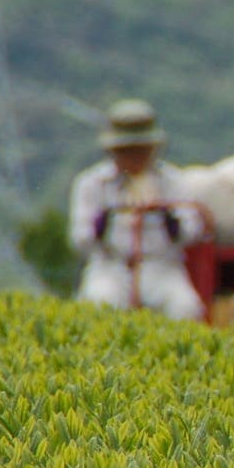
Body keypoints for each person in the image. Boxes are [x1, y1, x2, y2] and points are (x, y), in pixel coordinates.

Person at [68, 98, 208, 321]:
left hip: (161, 267)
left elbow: (192, 231)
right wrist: (105, 219)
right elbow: (81, 240)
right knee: (98, 303)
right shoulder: (92, 183)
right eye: (127, 151)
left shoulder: (172, 181)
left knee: (185, 308)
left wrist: (167, 216)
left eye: (140, 150)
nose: (134, 158)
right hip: (111, 266)